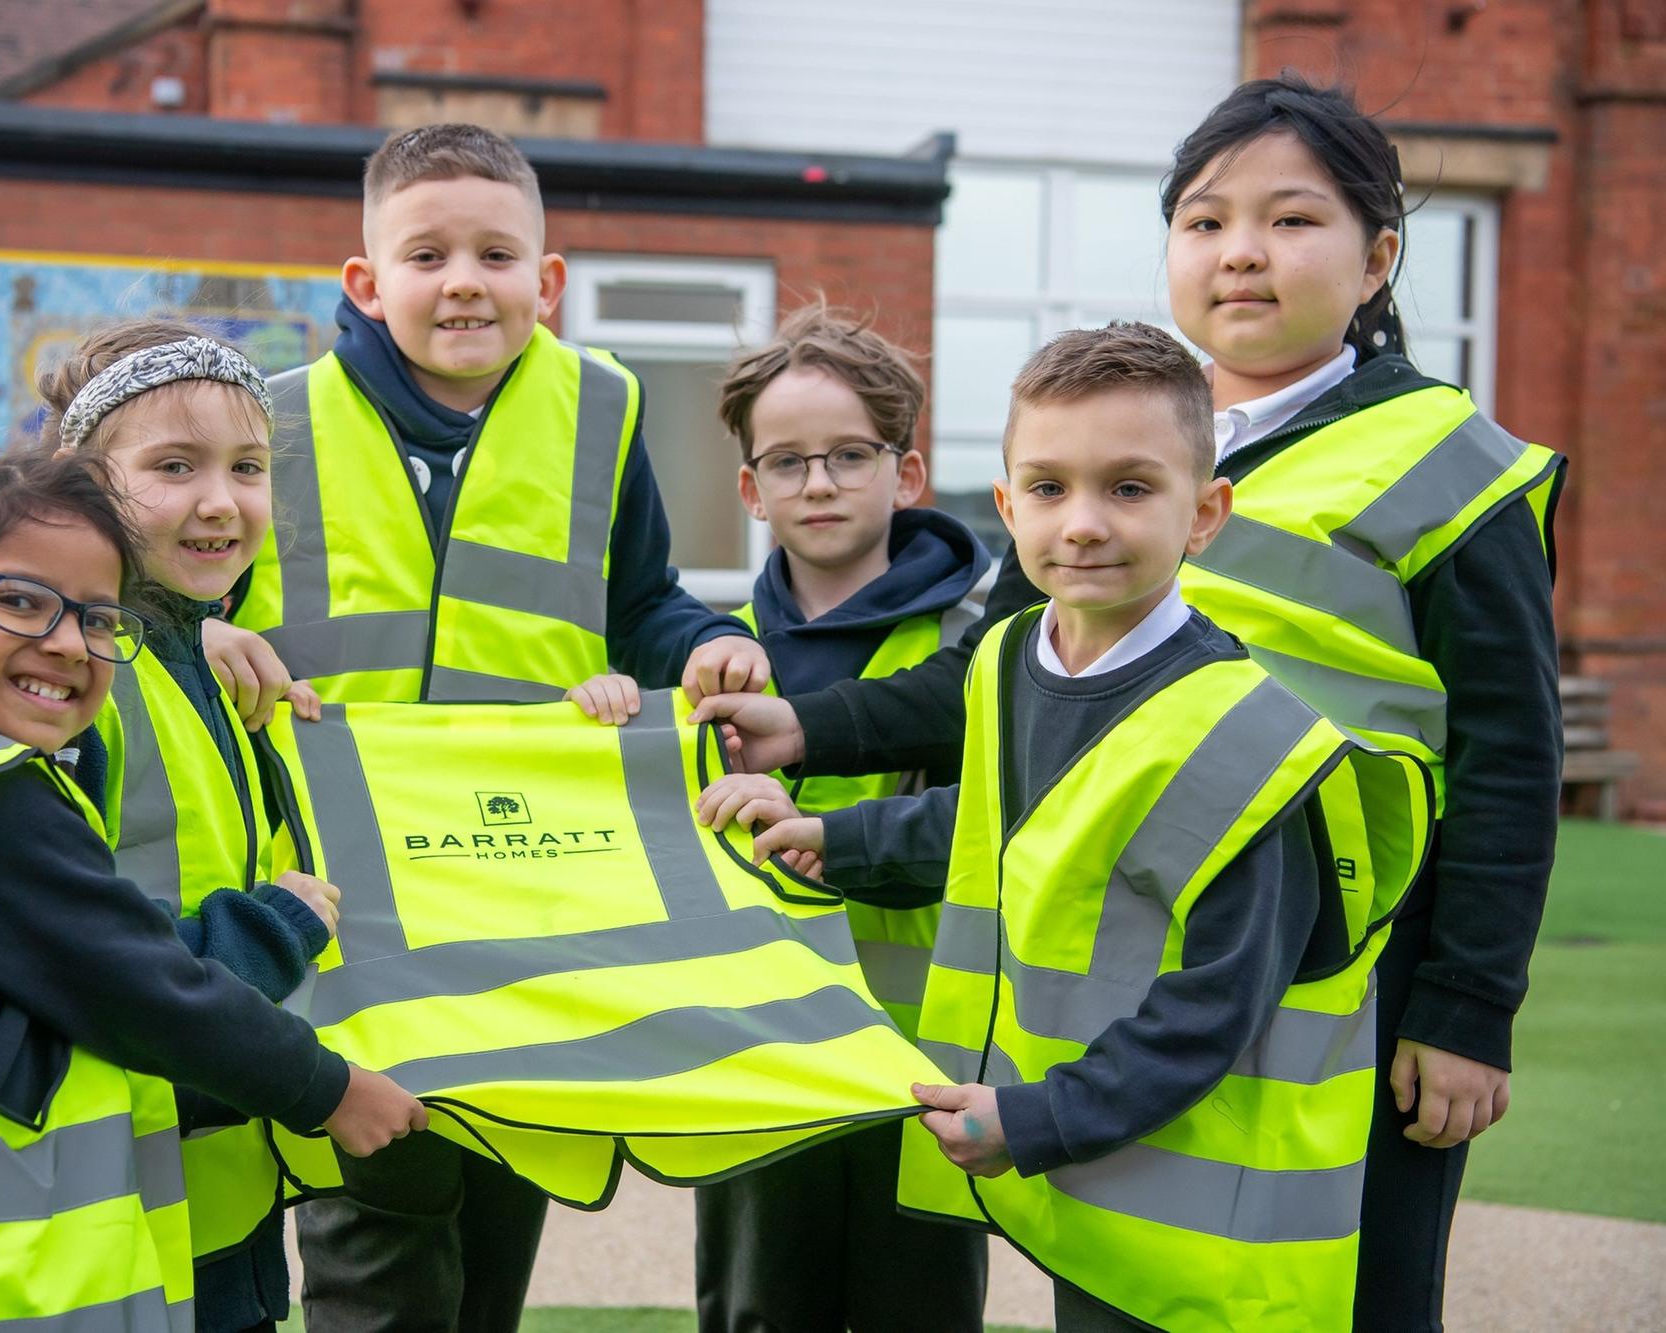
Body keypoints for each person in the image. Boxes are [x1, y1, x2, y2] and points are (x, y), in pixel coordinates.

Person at [695, 76, 1563, 1331]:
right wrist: (811, 729)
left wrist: (1467, 1008)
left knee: (1340, 1296)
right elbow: (994, 685)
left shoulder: (1453, 467)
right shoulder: (1107, 433)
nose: (1242, 254)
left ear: (1376, 258)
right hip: (1112, 978)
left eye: (1291, 221)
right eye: (1204, 222)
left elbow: (1507, 760)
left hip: (1347, 988)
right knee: (1115, 1271)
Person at [742, 322, 1433, 1331]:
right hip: (1101, 1204)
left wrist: (1038, 1116)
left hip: (1219, 1257)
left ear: (1204, 514)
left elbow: (1217, 1003)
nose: (1081, 523)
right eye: (1050, 488)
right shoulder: (1012, 654)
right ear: (1007, 506)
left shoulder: (1249, 737)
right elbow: (992, 829)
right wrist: (828, 837)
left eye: (1128, 488)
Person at [201, 121, 770, 1333]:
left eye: (496, 255)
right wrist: (196, 631)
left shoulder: (603, 407)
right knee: (378, 1233)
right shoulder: (268, 423)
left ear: (545, 281)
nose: (463, 280)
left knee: (501, 1213)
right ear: (366, 282)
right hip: (344, 891)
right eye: (427, 255)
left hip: (530, 895)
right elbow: (183, 591)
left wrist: (699, 647)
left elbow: (642, 603)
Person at [0, 454, 426, 1332]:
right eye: (19, 600)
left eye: (100, 619)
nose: (68, 641)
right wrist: (329, 1089)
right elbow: (148, 989)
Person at [662, 304, 990, 1332]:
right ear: (751, 488)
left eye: (849, 454)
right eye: (788, 461)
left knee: (919, 1314)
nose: (818, 483)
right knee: (758, 1312)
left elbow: (980, 833)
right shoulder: (713, 652)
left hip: (920, 1058)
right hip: (757, 1058)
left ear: (906, 472)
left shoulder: (979, 638)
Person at [36, 319, 356, 1333]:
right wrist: (273, 923)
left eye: (247, 466)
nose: (220, 501)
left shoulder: (194, 651)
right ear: (84, 485)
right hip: (105, 1219)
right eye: (175, 466)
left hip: (220, 1198)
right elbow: (64, 947)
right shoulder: (65, 675)